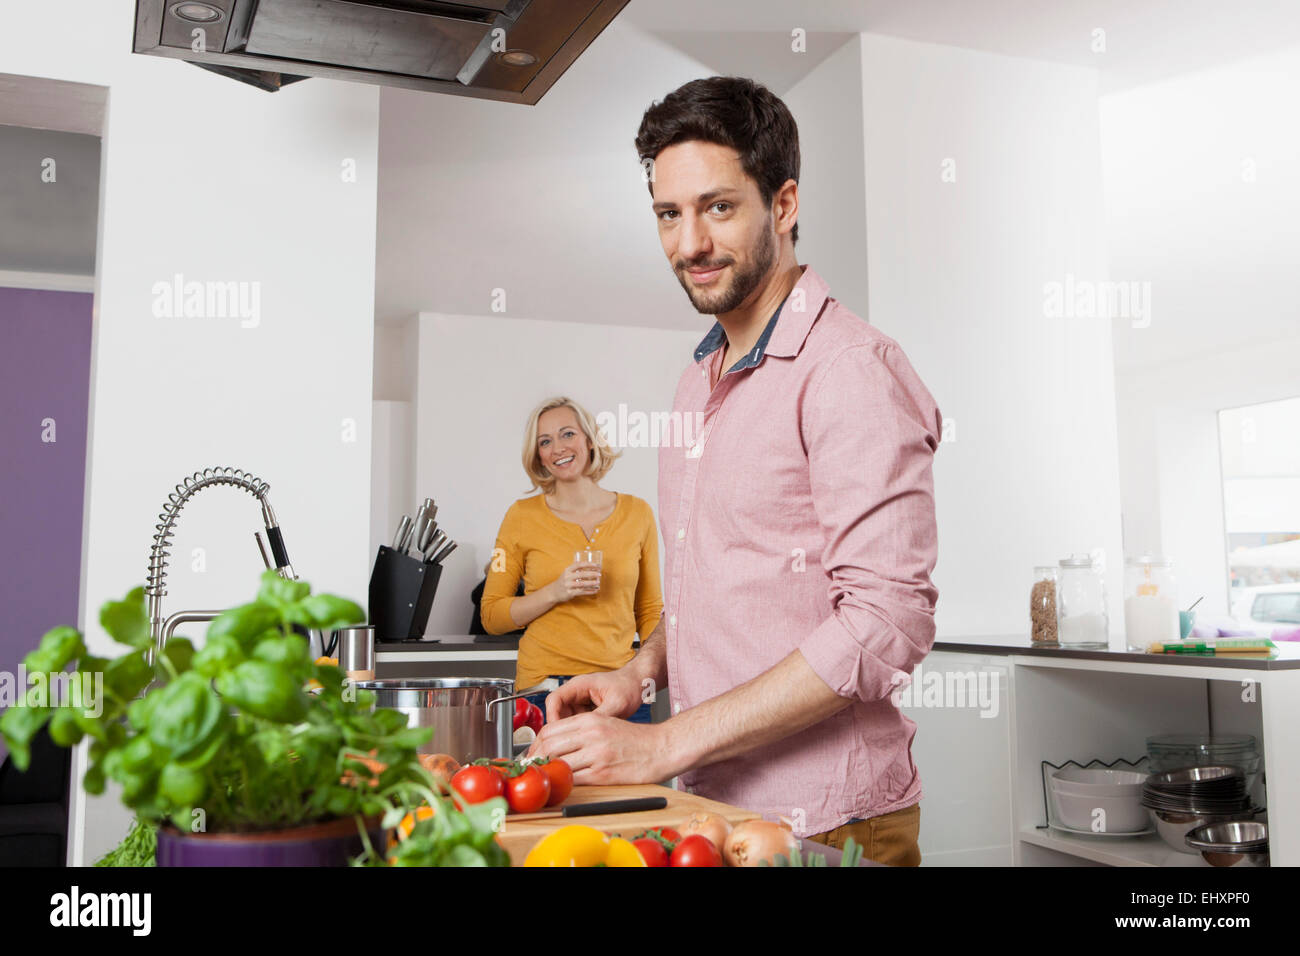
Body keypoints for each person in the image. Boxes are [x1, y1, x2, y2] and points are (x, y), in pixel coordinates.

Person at [529, 77, 942, 866]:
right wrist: (641, 673)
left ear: (783, 205)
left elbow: (888, 622)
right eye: (668, 214)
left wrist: (662, 744)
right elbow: (717, 580)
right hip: (709, 809)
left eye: (718, 207)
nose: (690, 244)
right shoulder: (701, 373)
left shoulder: (850, 370)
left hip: (828, 820)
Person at [480, 396, 664, 724]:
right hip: (543, 690)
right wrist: (556, 591)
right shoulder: (520, 517)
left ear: (590, 440)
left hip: (617, 686)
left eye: (568, 434)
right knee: (546, 777)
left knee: (630, 778)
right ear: (538, 456)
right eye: (545, 442)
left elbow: (649, 611)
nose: (558, 448)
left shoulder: (638, 514)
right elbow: (491, 615)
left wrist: (644, 679)